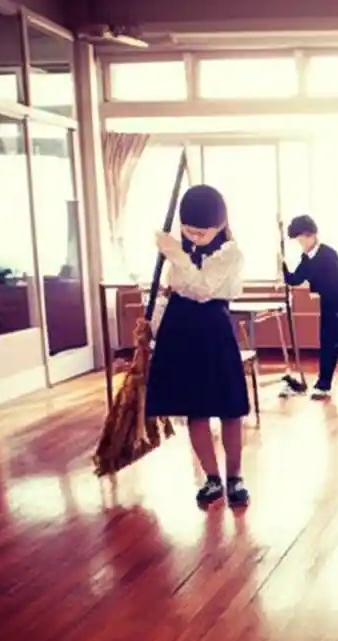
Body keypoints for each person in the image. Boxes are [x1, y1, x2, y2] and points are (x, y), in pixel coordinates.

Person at [146, 185, 250, 508]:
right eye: (189, 230)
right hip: (180, 330)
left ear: (220, 225)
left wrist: (175, 254)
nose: (194, 236)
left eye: (201, 232)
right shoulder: (179, 250)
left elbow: (203, 288)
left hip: (214, 330)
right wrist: (151, 327)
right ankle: (212, 478)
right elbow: (172, 290)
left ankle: (235, 478)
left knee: (230, 410)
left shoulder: (230, 254)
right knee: (196, 410)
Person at [281, 215, 338, 399]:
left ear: (310, 234)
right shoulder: (307, 258)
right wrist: (282, 266)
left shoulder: (328, 254)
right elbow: (295, 279)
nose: (301, 244)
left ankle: (323, 385)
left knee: (330, 343)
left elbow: (331, 282)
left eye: (301, 239)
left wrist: (315, 287)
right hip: (328, 303)